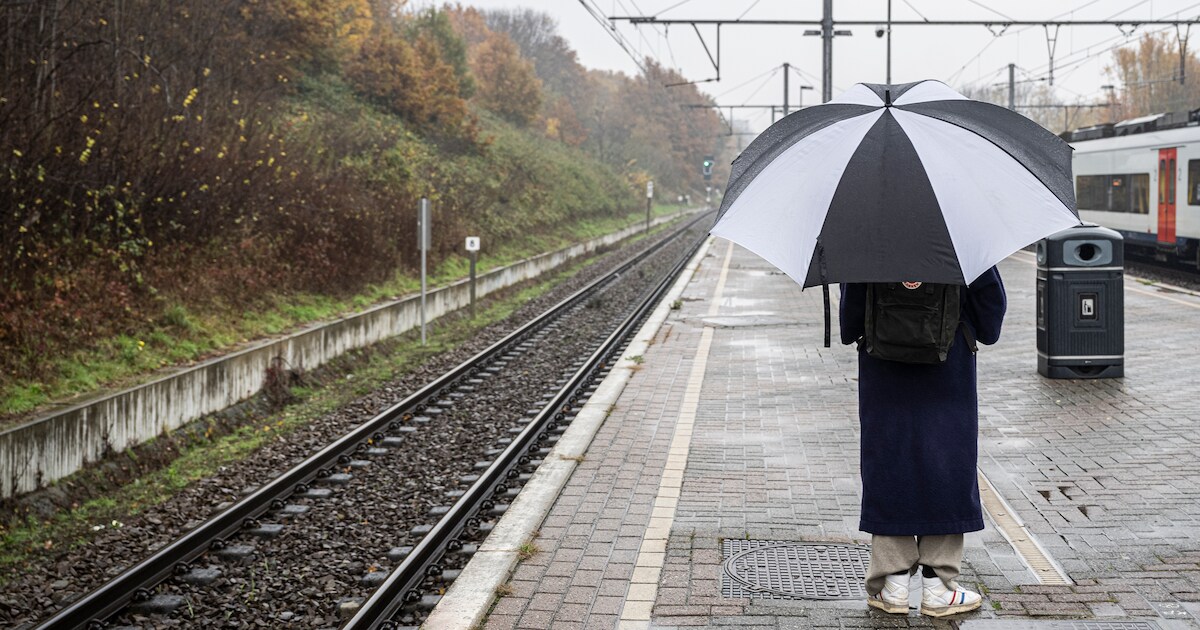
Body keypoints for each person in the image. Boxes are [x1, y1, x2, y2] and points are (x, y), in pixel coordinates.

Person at [838, 267, 1006, 617]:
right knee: (946, 466)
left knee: (888, 465)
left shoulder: (866, 241)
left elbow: (849, 324)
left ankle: (893, 586)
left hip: (883, 375)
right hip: (949, 375)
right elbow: (990, 324)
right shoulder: (963, 239)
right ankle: (938, 587)